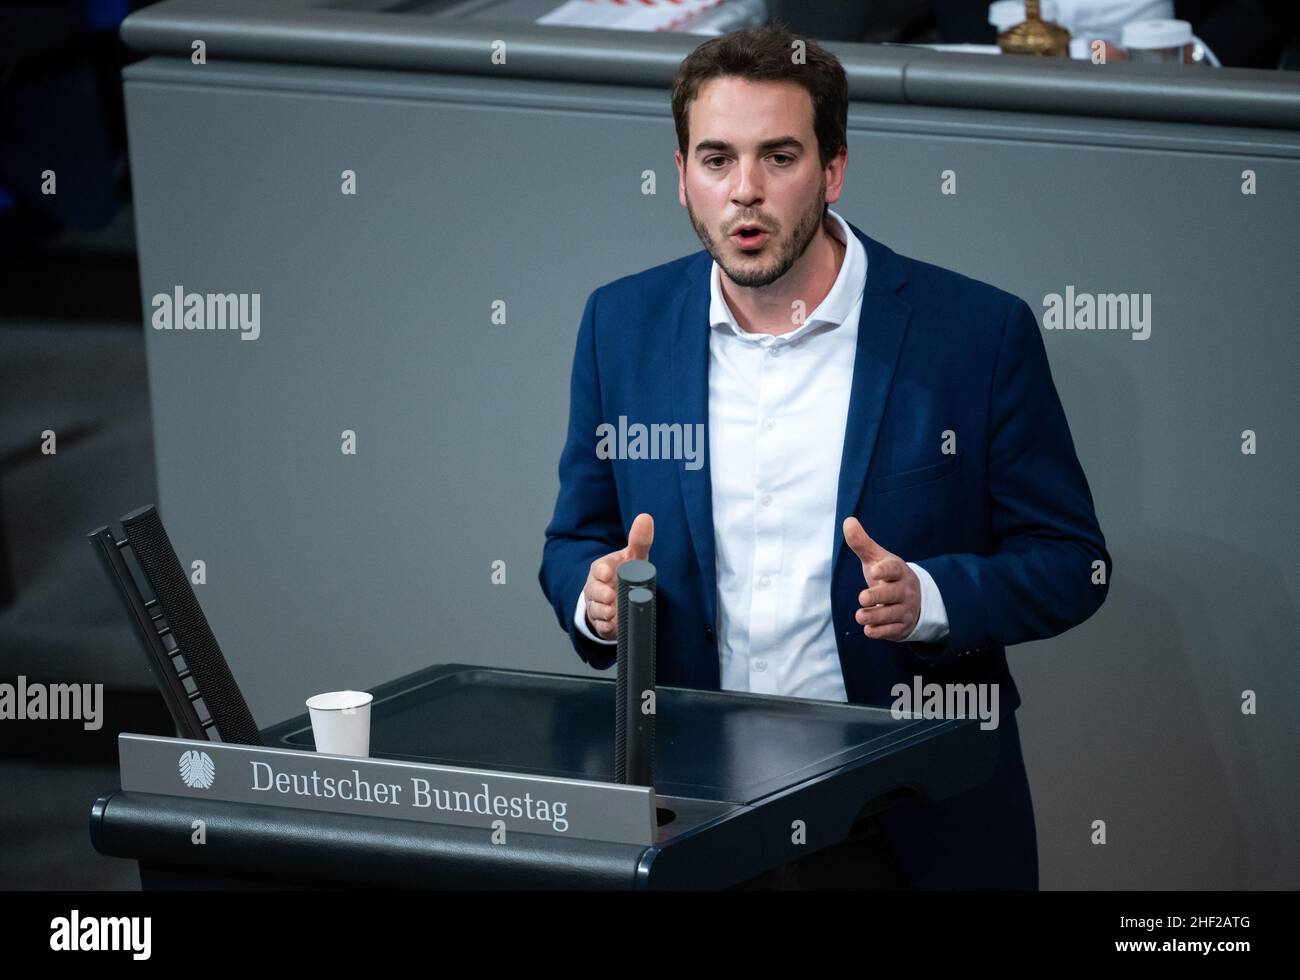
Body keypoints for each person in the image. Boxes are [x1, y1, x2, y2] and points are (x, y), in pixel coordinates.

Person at [538, 24, 1111, 889]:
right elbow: (571, 541)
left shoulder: (974, 335)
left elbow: (1075, 563)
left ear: (834, 168)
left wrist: (934, 598)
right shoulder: (619, 326)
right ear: (681, 177)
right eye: (716, 160)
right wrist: (595, 598)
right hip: (691, 818)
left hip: (908, 818)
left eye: (778, 157)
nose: (745, 193)